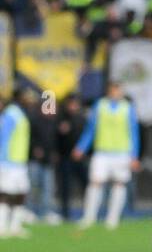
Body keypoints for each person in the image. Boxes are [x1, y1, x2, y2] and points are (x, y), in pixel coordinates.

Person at [72, 81, 140, 229]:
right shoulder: (100, 106)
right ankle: (89, 217)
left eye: (118, 90)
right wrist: (81, 147)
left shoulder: (128, 108)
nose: (115, 93)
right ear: (109, 91)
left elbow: (134, 132)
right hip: (102, 151)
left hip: (122, 152)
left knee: (119, 183)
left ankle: (112, 218)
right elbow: (91, 128)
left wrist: (134, 155)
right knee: (95, 182)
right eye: (113, 90)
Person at [0, 90, 32, 238]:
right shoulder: (11, 114)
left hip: (19, 161)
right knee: (5, 193)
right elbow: (3, 137)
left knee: (21, 193)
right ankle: (2, 226)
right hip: (8, 162)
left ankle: (15, 226)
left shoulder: (19, 114)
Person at [26, 89, 58, 223]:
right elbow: (29, 138)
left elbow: (56, 141)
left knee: (48, 188)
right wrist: (35, 149)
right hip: (35, 160)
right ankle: (29, 211)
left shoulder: (54, 121)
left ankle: (46, 212)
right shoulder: (34, 119)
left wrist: (55, 153)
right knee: (32, 186)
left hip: (48, 160)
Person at [55, 96, 87, 221]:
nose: (73, 107)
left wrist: (84, 152)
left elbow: (87, 136)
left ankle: (88, 211)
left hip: (80, 158)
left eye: (75, 104)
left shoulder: (82, 119)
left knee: (87, 185)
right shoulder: (61, 119)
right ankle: (65, 213)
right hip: (65, 158)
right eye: (71, 104)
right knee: (65, 187)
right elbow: (56, 138)